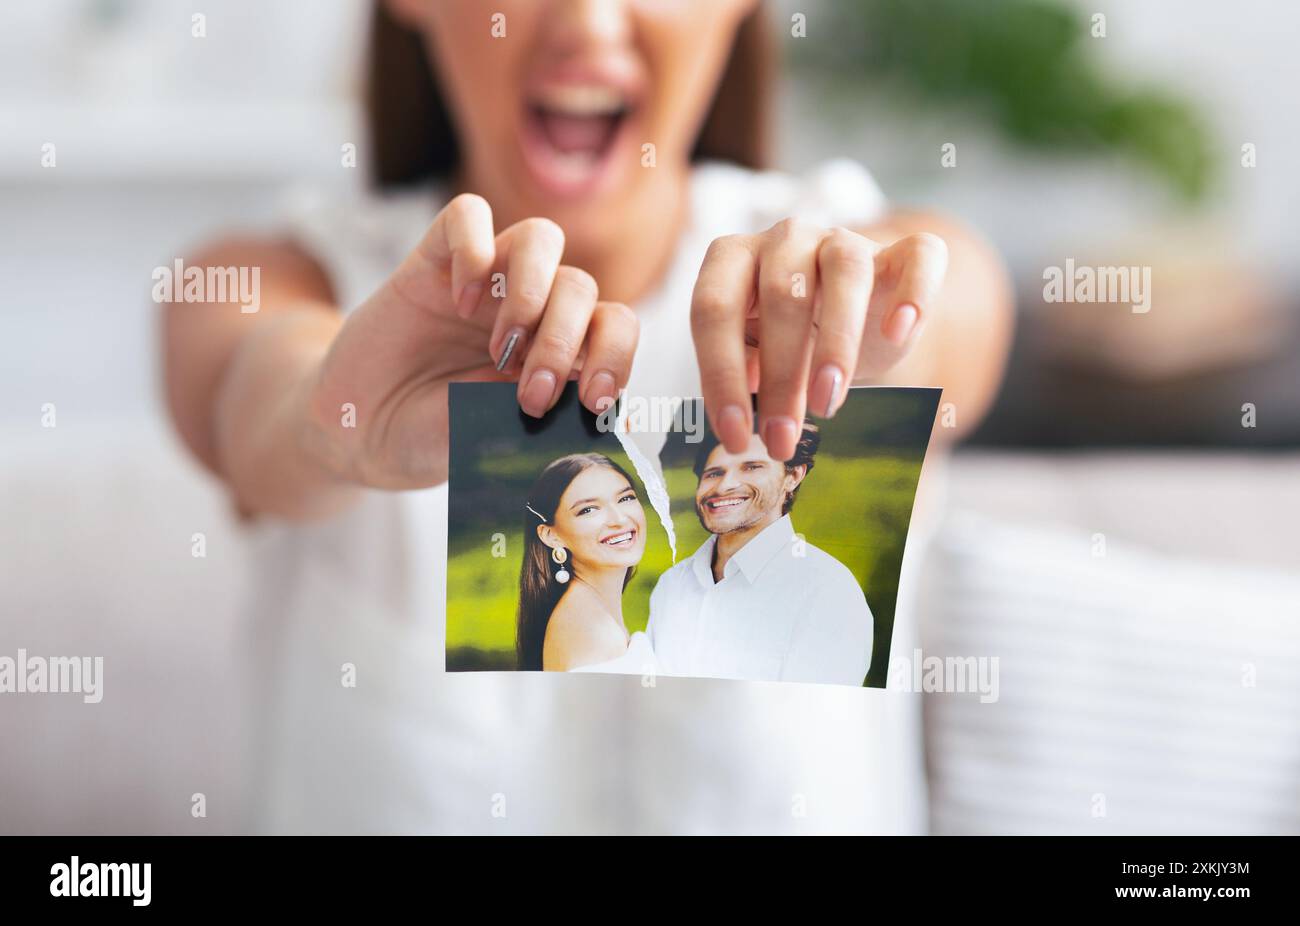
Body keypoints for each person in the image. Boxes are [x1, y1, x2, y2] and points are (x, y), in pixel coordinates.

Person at [162, 0, 1013, 833]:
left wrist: (864, 328)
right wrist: (331, 428)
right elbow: (255, 395)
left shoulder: (841, 258)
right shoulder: (281, 280)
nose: (588, 21)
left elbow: (957, 308)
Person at [648, 422, 873, 685]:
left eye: (752, 467)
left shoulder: (827, 590)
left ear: (793, 476)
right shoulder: (672, 584)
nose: (724, 486)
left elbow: (817, 718)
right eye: (713, 473)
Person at [515, 453, 654, 674]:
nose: (619, 519)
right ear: (551, 535)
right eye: (588, 510)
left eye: (625, 498)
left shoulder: (584, 613)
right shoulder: (595, 631)